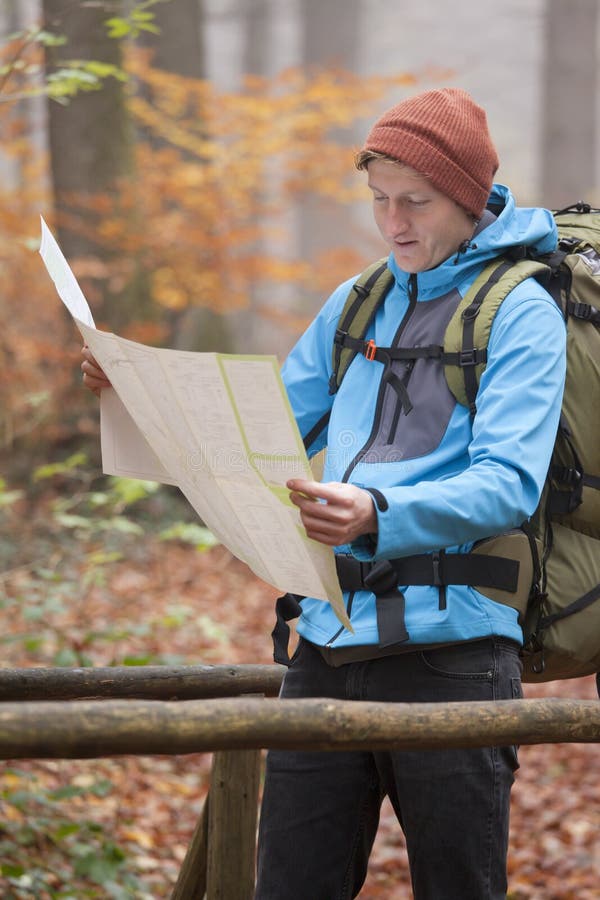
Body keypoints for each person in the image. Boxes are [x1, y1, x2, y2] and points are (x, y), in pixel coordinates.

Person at [82, 88, 567, 899]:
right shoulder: (358, 302)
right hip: (327, 644)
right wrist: (133, 394)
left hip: (454, 658)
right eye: (379, 200)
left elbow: (510, 484)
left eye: (416, 201)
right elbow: (253, 425)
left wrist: (379, 514)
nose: (394, 223)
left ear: (472, 197)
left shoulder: (521, 312)